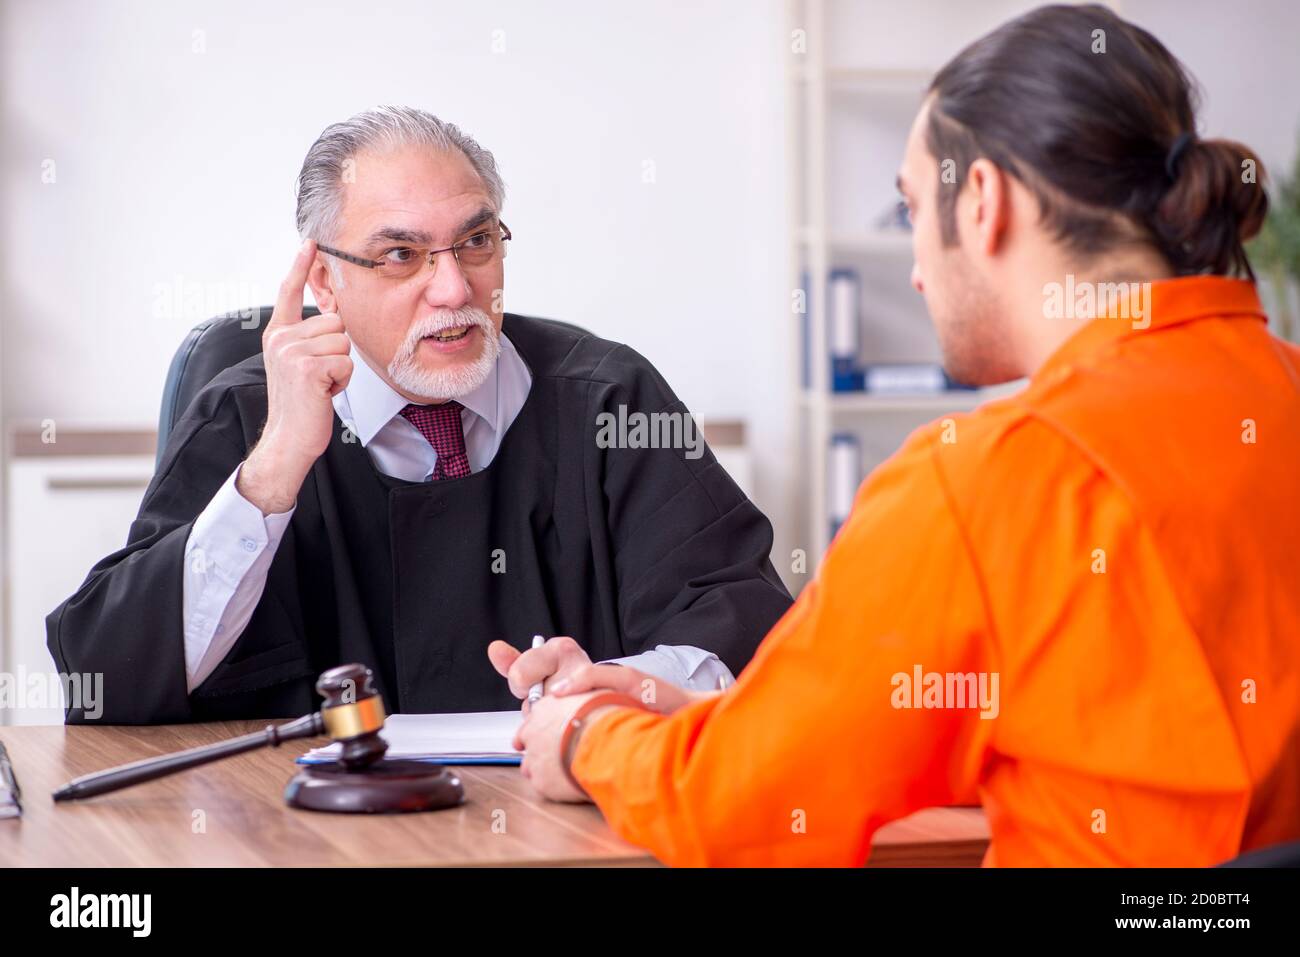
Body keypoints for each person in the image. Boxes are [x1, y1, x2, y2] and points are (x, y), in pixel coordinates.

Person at [513, 3, 1300, 866]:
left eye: (914, 207)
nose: (918, 269)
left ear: (986, 202)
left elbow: (738, 808)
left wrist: (589, 733)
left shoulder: (986, 481)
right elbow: (1123, 751)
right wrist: (716, 720)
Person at [47, 106, 792, 724]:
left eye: (475, 242)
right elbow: (105, 678)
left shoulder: (609, 400)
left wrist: (612, 688)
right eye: (401, 254)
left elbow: (749, 626)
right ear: (324, 282)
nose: (452, 289)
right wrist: (273, 473)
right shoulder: (248, 415)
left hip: (564, 824)